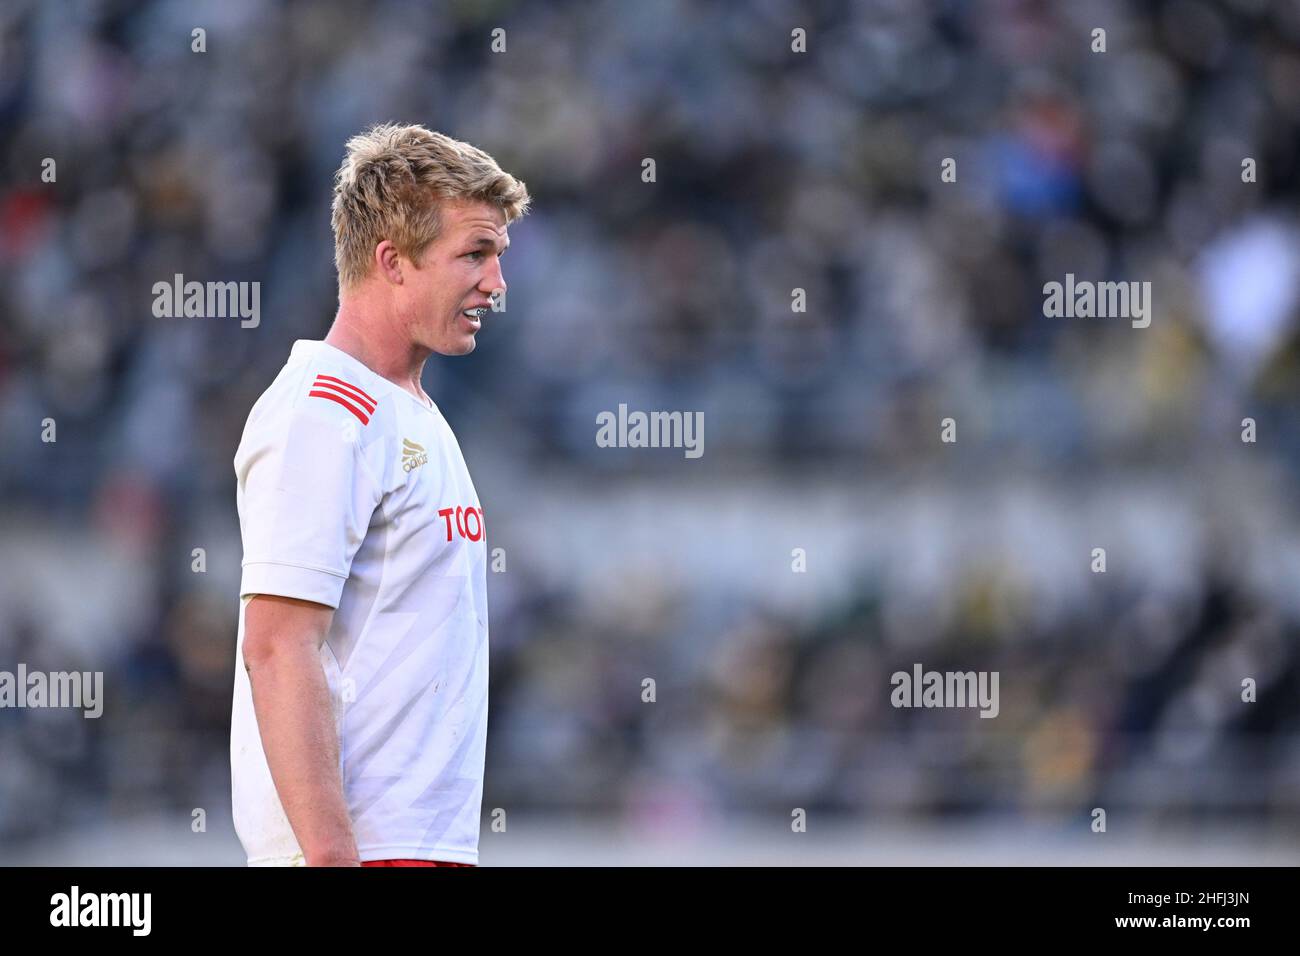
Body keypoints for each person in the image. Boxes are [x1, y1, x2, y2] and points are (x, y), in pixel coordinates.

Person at [229, 123, 530, 866]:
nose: (496, 284)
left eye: (497, 256)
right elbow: (275, 647)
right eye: (474, 254)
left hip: (417, 845)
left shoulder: (411, 411)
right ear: (392, 261)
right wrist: (334, 860)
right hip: (363, 851)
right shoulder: (325, 412)